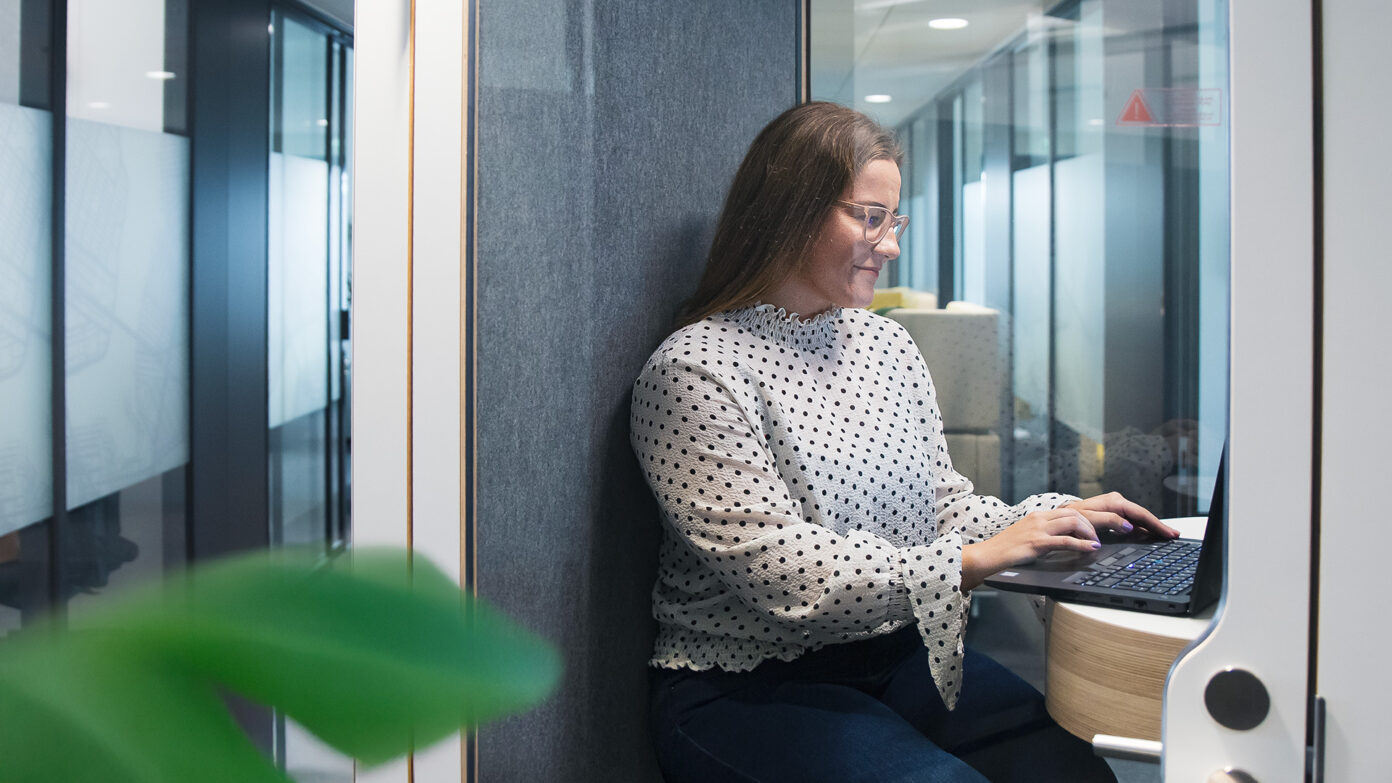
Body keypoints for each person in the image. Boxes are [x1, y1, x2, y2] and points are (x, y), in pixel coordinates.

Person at [629, 102, 1177, 783]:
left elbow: (939, 506)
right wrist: (972, 561)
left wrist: (1048, 522)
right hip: (745, 686)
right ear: (791, 210)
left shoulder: (886, 343)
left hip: (895, 655)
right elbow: (788, 574)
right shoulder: (694, 370)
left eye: (895, 219)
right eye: (871, 216)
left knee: (1070, 770)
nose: (889, 243)